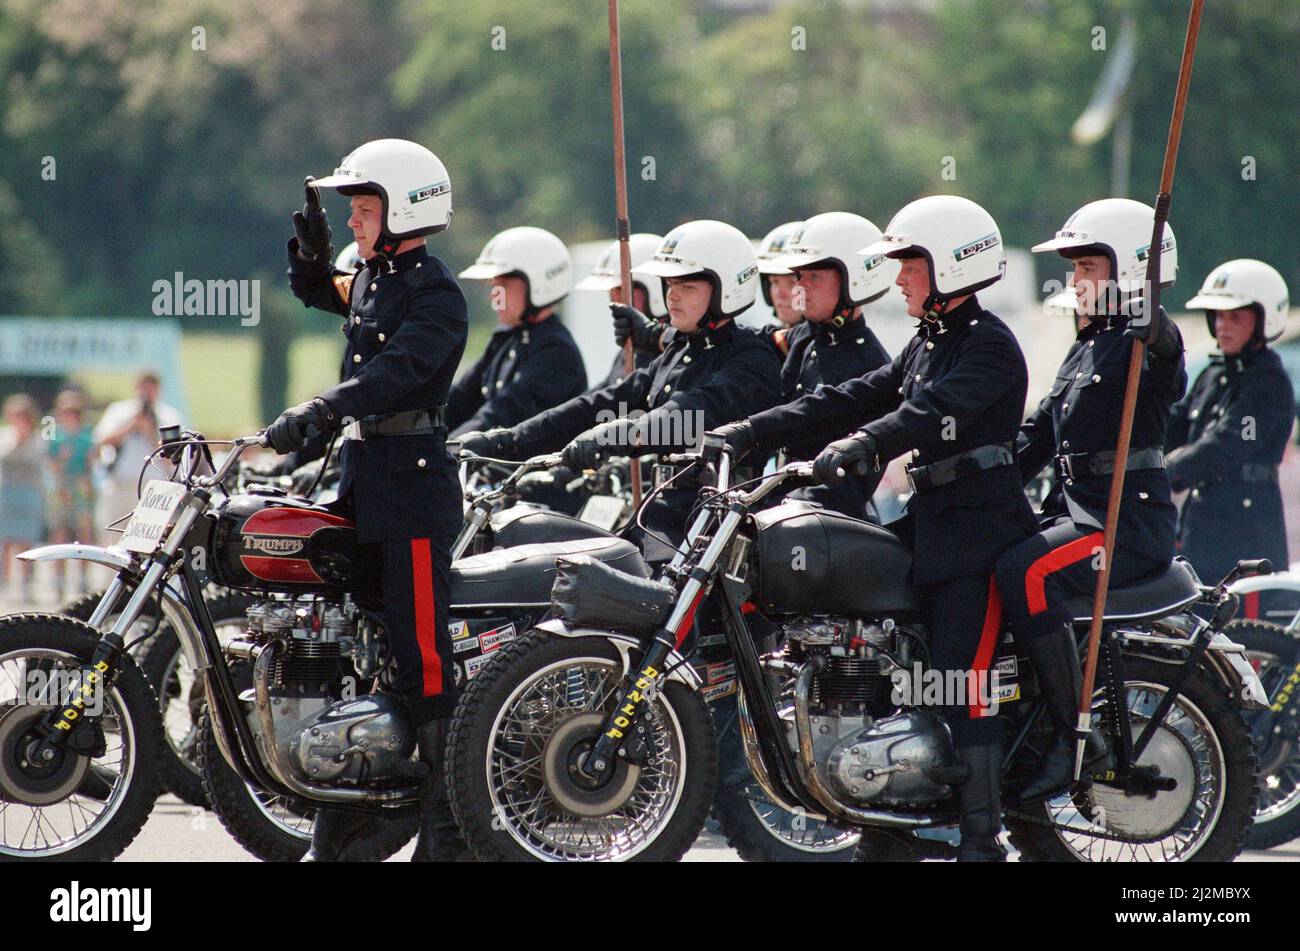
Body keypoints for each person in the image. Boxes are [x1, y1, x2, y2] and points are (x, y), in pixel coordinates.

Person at [715, 195, 1037, 861]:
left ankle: (982, 837)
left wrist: (861, 444)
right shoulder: (929, 342)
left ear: (949, 266)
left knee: (957, 675)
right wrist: (752, 429)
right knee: (886, 663)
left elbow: (926, 413)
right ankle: (887, 819)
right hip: (929, 526)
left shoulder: (989, 347)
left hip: (979, 537)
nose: (899, 281)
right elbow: (855, 393)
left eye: (910, 266)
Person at [268, 137, 469, 862]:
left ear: (405, 209)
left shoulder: (435, 292)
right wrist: (313, 265)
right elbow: (333, 296)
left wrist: (321, 407)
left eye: (363, 208)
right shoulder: (378, 278)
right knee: (370, 645)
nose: (354, 221)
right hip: (364, 479)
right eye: (351, 209)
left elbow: (397, 371)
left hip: (411, 492)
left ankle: (450, 825)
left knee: (423, 657)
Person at [995, 198, 1187, 801]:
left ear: (1128, 270)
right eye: (1073, 269)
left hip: (1123, 525)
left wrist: (1150, 320)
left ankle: (1073, 735)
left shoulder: (1140, 340)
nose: (1074, 281)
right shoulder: (1087, 348)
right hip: (1076, 515)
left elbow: (1169, 359)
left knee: (1024, 572)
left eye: (1086, 268)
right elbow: (1037, 435)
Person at [457, 219, 781, 552]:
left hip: (715, 523)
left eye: (687, 287)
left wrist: (613, 437)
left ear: (727, 288)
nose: (672, 296)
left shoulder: (750, 358)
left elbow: (687, 417)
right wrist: (506, 440)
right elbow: (600, 404)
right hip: (664, 515)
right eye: (669, 285)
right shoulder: (680, 351)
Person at [1167, 259, 1293, 593]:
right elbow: (1175, 423)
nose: (1224, 326)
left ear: (1264, 319)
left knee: (1244, 638)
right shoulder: (1213, 374)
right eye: (1219, 316)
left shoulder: (1267, 381)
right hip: (1200, 528)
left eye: (1235, 316)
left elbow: (1232, 441)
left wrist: (1168, 468)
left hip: (1245, 533)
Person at [761, 211, 895, 518]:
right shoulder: (804, 339)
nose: (799, 288)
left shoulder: (872, 365)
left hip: (821, 527)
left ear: (854, 278)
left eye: (814, 277)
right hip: (777, 509)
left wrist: (787, 508)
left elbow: (849, 486)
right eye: (799, 277)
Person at [448, 227, 587, 437]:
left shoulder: (556, 352)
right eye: (493, 287)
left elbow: (504, 412)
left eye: (502, 285)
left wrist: (452, 445)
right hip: (493, 466)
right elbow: (459, 399)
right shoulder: (505, 340)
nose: (494, 297)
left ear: (539, 284)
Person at [91, 371, 183, 546]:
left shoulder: (169, 416)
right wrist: (131, 426)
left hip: (153, 488)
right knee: (113, 538)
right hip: (120, 484)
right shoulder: (120, 411)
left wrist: (149, 430)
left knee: (147, 541)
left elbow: (172, 458)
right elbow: (101, 441)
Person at [576, 232, 669, 388]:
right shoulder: (631, 346)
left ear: (654, 288)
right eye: (611, 292)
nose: (614, 301)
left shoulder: (669, 352)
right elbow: (603, 394)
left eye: (620, 289)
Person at [46, 388, 97, 596]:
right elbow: (51, 465)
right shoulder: (55, 437)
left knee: (83, 531)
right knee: (60, 531)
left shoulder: (86, 437)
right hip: (62, 487)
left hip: (81, 485)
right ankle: (59, 578)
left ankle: (83, 577)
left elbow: (92, 463)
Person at [0, 394, 46, 597]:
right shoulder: (5, 435)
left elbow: (41, 461)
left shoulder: (39, 437)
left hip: (30, 492)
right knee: (5, 538)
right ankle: (4, 580)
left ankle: (27, 582)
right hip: (7, 491)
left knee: (26, 539)